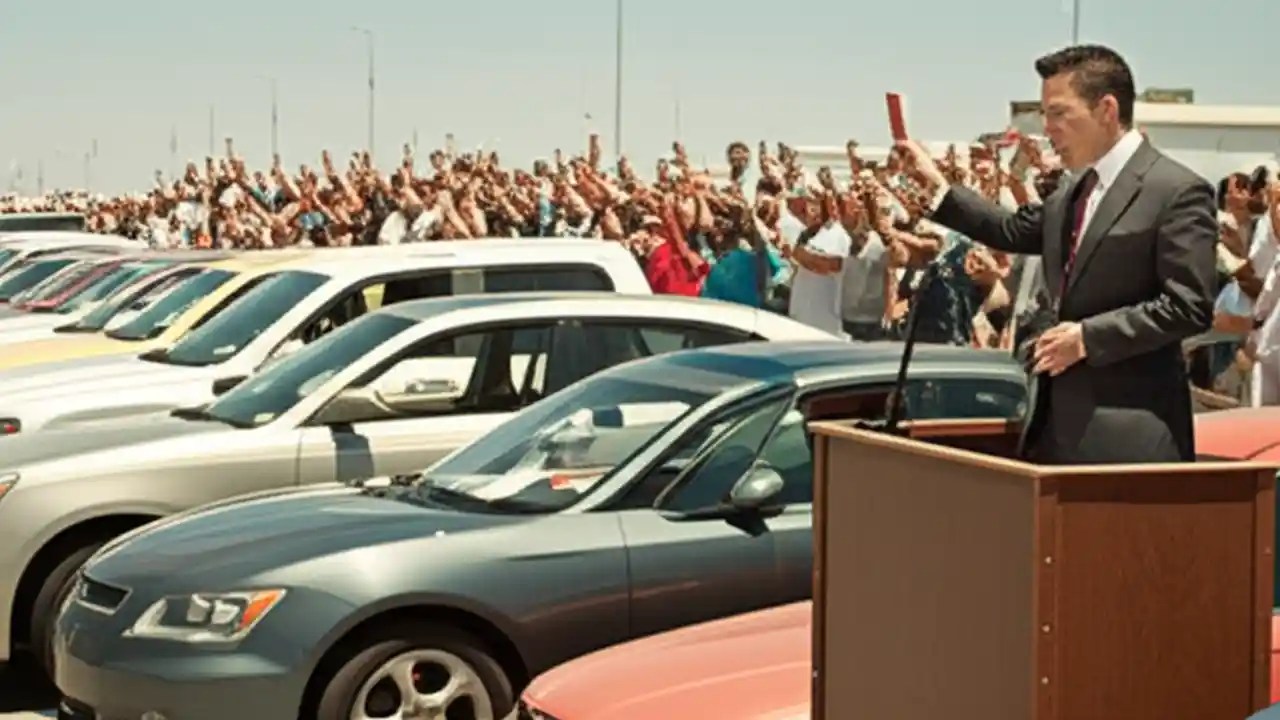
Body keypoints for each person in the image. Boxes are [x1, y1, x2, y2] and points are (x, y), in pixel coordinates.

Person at [897, 44, 1216, 464]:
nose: (1047, 128)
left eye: (1058, 113)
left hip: (1130, 441)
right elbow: (1010, 229)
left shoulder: (1175, 191)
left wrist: (1087, 338)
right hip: (1057, 432)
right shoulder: (1072, 191)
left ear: (1106, 109)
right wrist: (937, 185)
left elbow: (1188, 306)